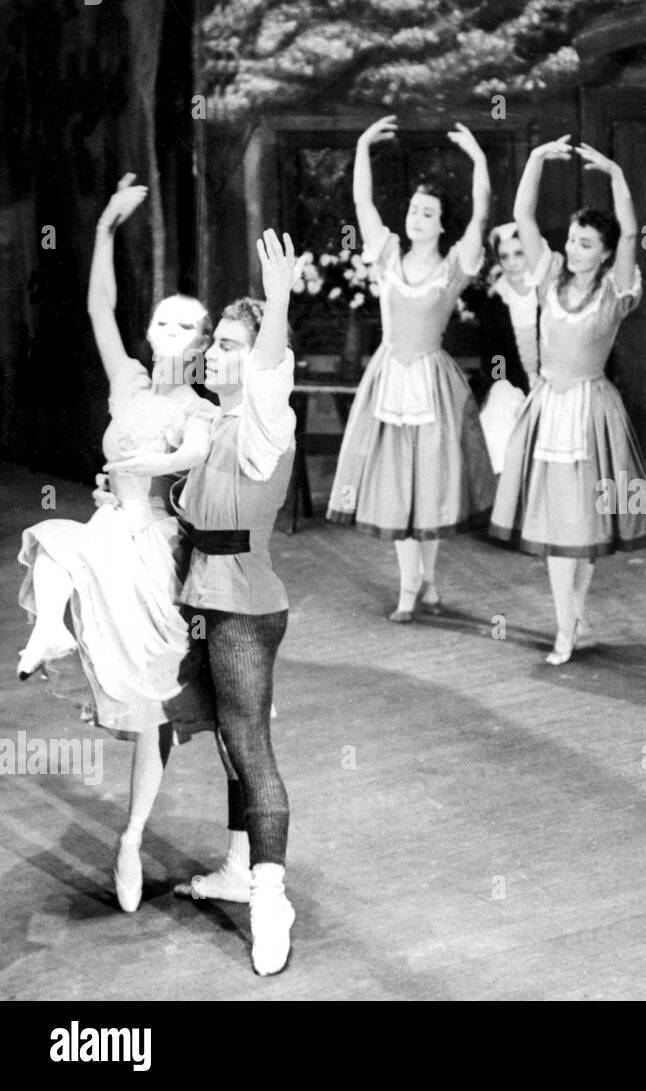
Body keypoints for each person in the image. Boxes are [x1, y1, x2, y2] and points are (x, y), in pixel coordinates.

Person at [17, 173, 217, 913]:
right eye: (161, 321)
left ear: (198, 346)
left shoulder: (198, 406)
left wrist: (149, 464)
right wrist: (103, 228)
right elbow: (100, 306)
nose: (166, 331)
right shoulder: (127, 384)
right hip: (111, 531)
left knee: (153, 714)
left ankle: (131, 834)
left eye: (183, 326)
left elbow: (197, 454)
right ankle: (47, 634)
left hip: (155, 552)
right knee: (55, 539)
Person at [166, 229, 305, 975]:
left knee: (250, 744)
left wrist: (276, 301)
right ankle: (235, 863)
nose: (214, 351)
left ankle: (270, 896)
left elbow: (272, 373)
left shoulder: (262, 422)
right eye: (212, 341)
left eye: (229, 343)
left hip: (245, 605)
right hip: (205, 600)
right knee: (225, 740)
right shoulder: (215, 423)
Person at [488, 136, 646, 664]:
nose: (576, 247)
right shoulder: (548, 278)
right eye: (575, 239)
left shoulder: (617, 289)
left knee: (582, 526)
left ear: (604, 252)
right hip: (547, 410)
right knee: (555, 528)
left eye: (587, 242)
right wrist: (536, 159)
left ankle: (574, 617)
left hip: (592, 414)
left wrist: (616, 174)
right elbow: (522, 215)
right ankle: (565, 626)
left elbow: (631, 229)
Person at [326, 116, 495, 621]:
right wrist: (360, 146)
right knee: (396, 484)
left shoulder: (454, 266)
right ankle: (409, 586)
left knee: (433, 485)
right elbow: (362, 204)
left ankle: (430, 581)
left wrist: (479, 161)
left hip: (433, 383)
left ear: (443, 224)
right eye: (415, 209)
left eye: (429, 212)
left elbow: (481, 216)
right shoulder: (386, 256)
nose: (418, 216)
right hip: (389, 382)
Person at [476, 223, 537, 472]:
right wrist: (511, 388)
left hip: (552, 383)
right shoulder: (495, 300)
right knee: (500, 414)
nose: (511, 263)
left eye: (519, 254)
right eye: (504, 256)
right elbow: (494, 360)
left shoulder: (550, 292)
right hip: (513, 385)